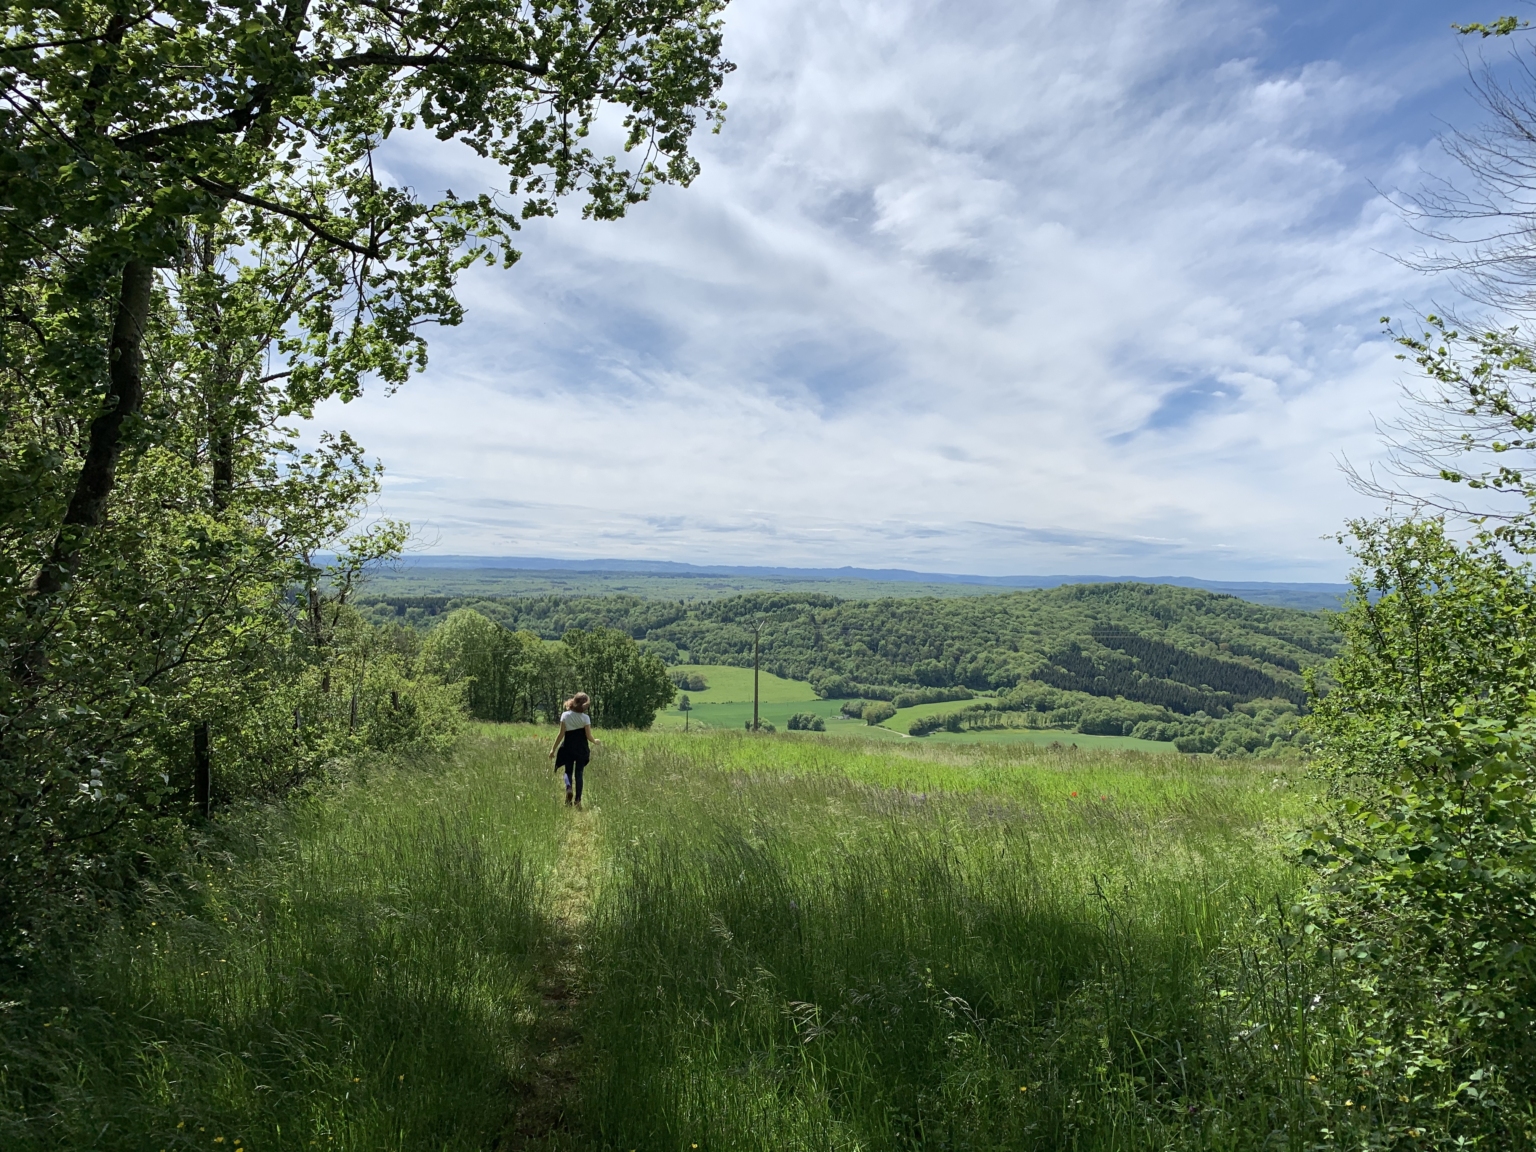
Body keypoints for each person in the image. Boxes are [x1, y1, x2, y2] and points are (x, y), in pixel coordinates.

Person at [549, 693, 599, 807]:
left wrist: (553, 749)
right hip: (581, 748)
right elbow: (588, 736)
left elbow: (561, 734)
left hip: (568, 747)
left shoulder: (565, 715)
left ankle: (568, 789)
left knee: (568, 771)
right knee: (579, 773)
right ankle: (578, 800)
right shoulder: (585, 718)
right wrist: (595, 741)